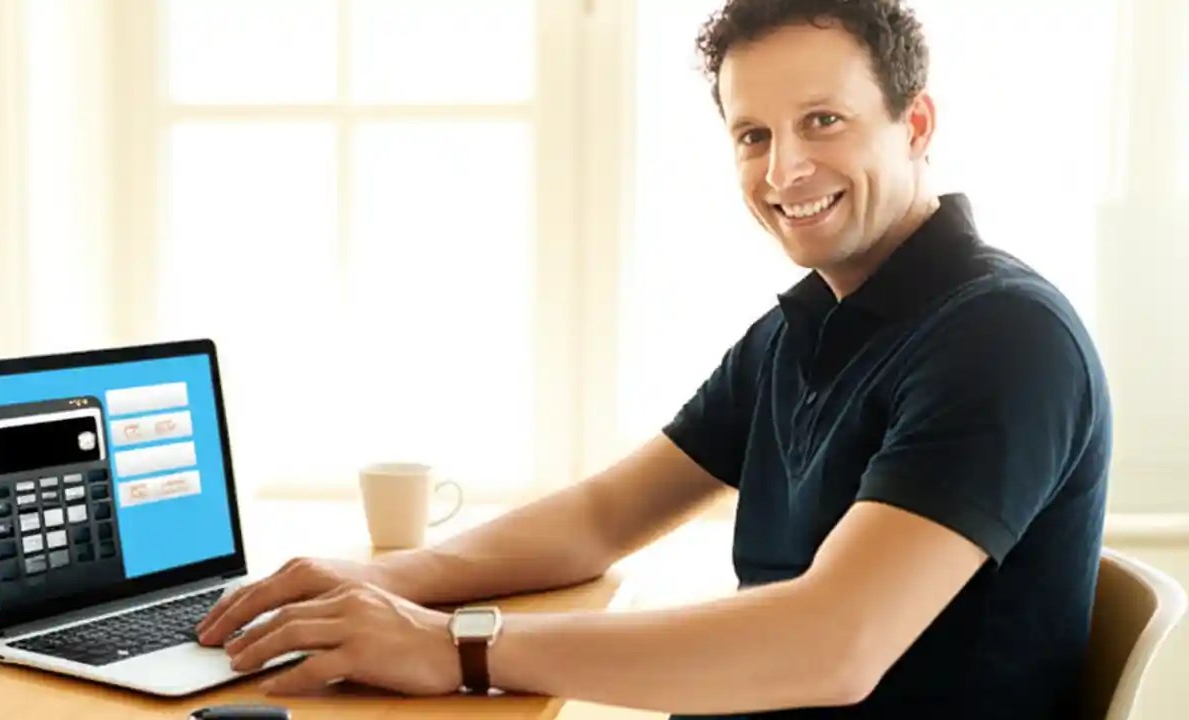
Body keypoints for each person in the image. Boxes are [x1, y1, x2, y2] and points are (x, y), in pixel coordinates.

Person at [196, 0, 1112, 717]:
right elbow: (601, 517)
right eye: (753, 135)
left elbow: (835, 644)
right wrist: (384, 580)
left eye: (823, 120)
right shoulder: (808, 326)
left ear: (916, 124)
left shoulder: (1002, 337)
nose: (784, 169)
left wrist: (457, 647)